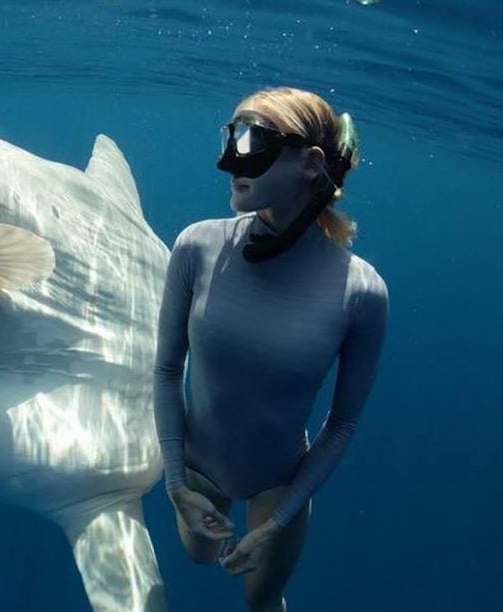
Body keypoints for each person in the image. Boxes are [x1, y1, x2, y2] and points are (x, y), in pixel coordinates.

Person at [153, 86, 389, 612]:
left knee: (262, 602)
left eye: (253, 140)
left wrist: (277, 523)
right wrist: (175, 485)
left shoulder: (361, 291)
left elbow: (343, 423)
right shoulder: (196, 245)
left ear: (311, 164)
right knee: (197, 555)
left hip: (280, 484)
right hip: (195, 469)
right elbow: (167, 370)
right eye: (230, 136)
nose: (230, 159)